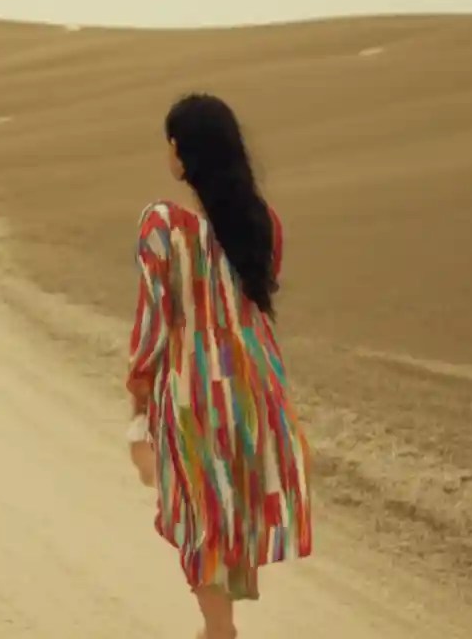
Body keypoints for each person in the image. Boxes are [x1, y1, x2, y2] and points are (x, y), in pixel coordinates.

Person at [125, 94, 313, 639]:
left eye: (171, 142)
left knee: (203, 521)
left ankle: (219, 632)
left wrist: (137, 414)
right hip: (257, 391)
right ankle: (219, 630)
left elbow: (152, 327)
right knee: (225, 516)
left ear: (183, 153)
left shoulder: (163, 224)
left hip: (195, 393)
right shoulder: (264, 225)